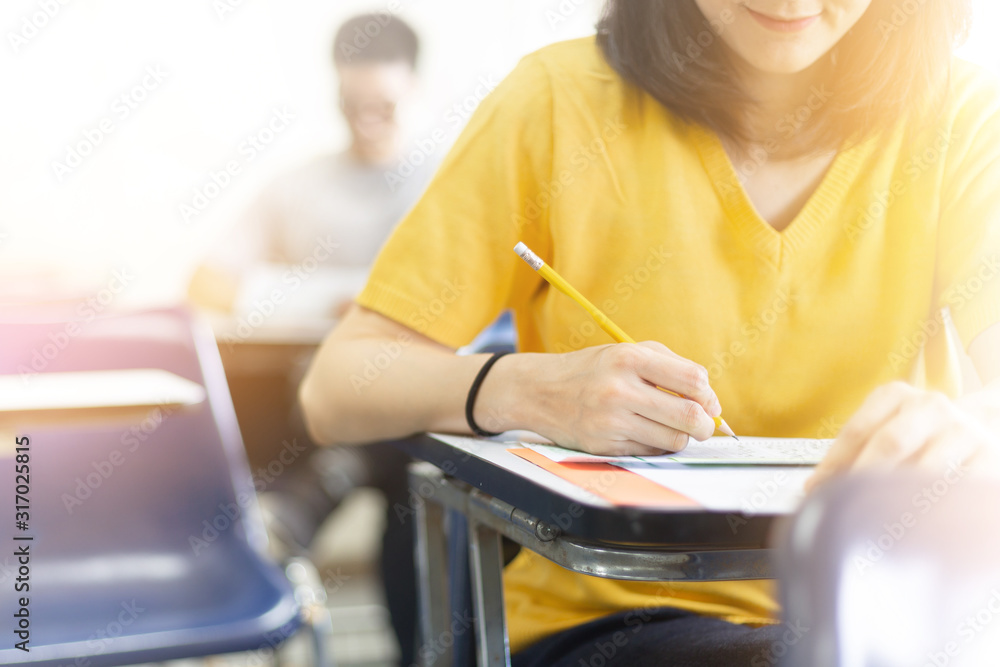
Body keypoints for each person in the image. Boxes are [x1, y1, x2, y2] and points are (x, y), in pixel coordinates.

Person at [298, 0, 1000, 664]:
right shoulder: (557, 101)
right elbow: (338, 387)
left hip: (892, 613)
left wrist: (975, 429)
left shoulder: (963, 117)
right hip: (613, 622)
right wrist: (524, 389)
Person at [188, 14, 435, 666]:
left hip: (419, 400)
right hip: (312, 399)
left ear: (415, 91)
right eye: (352, 105)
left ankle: (306, 503)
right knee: (407, 466)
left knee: (412, 467)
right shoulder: (297, 187)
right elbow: (208, 280)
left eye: (382, 105)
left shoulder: (448, 184)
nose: (366, 120)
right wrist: (301, 294)